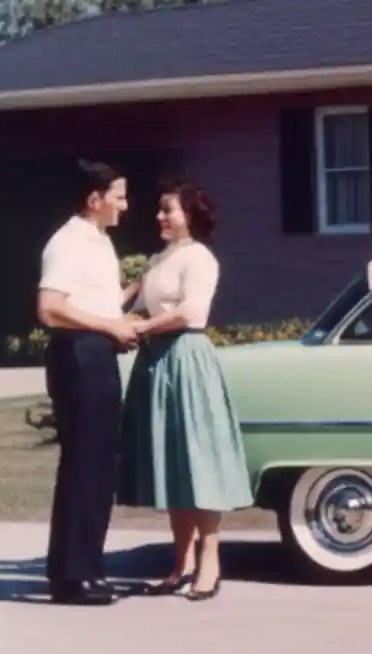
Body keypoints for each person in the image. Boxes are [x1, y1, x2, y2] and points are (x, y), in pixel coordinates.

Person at [117, 177, 253, 602]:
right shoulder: (160, 259)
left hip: (187, 359)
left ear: (190, 216)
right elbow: (135, 301)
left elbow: (191, 311)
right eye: (159, 209)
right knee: (173, 464)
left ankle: (210, 561)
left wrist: (142, 327)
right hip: (157, 363)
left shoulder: (199, 258)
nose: (159, 216)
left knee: (197, 459)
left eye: (168, 210)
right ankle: (181, 563)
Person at [36, 159, 140, 606]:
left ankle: (75, 568)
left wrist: (132, 297)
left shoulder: (99, 241)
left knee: (95, 465)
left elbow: (95, 301)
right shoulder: (67, 242)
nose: (124, 204)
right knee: (86, 463)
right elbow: (50, 307)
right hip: (79, 355)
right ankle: (75, 574)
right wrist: (109, 326)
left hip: (95, 350)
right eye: (117, 196)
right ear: (94, 199)